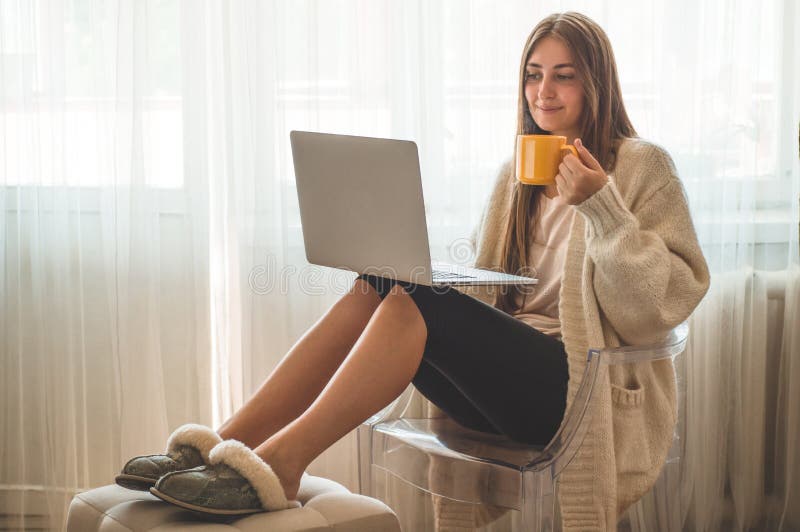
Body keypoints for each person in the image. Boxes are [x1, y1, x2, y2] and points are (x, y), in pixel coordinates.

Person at [115, 11, 710, 530]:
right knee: (381, 283)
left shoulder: (642, 168)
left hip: (576, 393)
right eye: (533, 74)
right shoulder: (516, 175)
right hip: (502, 385)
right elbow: (494, 289)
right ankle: (223, 444)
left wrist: (601, 205)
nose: (543, 91)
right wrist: (423, 274)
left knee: (418, 303)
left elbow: (657, 308)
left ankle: (282, 463)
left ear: (597, 83)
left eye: (564, 75)